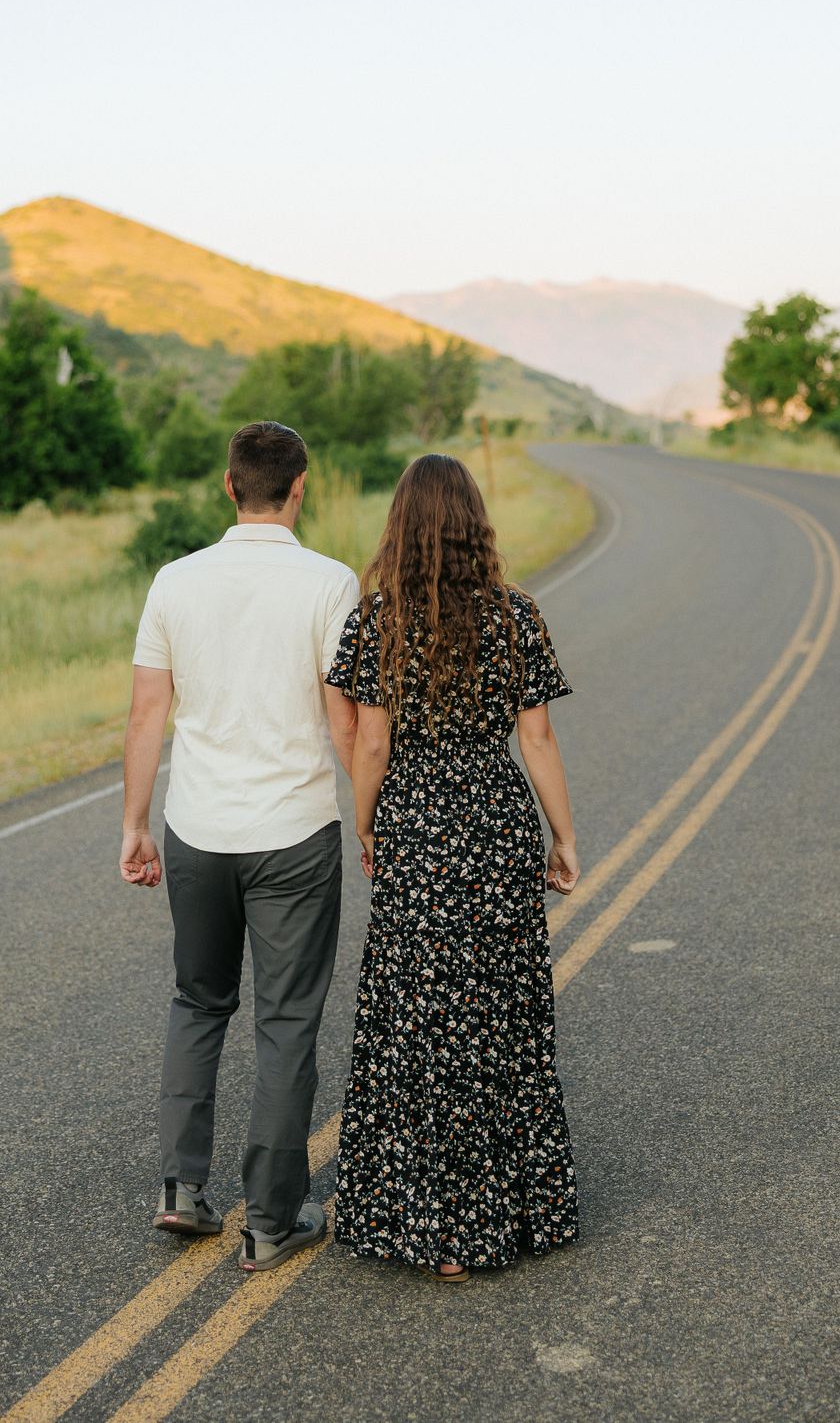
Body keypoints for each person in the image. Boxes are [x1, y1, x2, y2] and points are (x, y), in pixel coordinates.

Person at [323, 453, 580, 1281]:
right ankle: (512, 1215)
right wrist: (562, 837)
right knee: (500, 1011)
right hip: (497, 823)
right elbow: (535, 739)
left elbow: (370, 741)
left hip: (418, 830)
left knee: (419, 1021)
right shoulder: (517, 616)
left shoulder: (375, 622)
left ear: (399, 525)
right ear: (476, 524)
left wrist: (365, 824)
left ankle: (429, 1227)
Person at [120, 421, 360, 1273]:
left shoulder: (174, 581)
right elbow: (344, 720)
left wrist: (135, 825)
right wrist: (371, 818)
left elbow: (150, 713)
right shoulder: (331, 583)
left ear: (229, 487)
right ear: (301, 487)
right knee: (286, 1023)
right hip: (294, 831)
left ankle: (182, 1191)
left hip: (197, 829)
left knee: (198, 1002)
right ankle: (270, 1220)